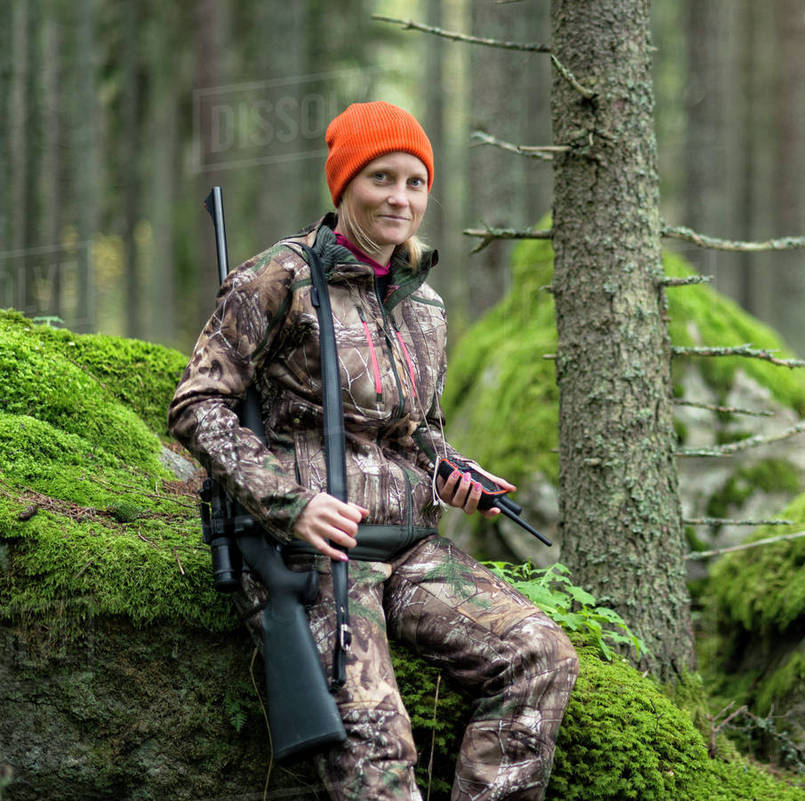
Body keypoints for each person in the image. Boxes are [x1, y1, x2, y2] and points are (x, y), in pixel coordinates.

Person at [169, 101, 578, 801]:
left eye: (415, 181)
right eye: (380, 177)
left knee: (539, 654)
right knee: (379, 748)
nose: (400, 197)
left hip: (412, 547)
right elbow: (197, 405)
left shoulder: (427, 306)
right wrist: (290, 505)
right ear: (344, 185)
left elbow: (418, 430)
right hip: (316, 556)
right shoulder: (278, 278)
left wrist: (450, 468)